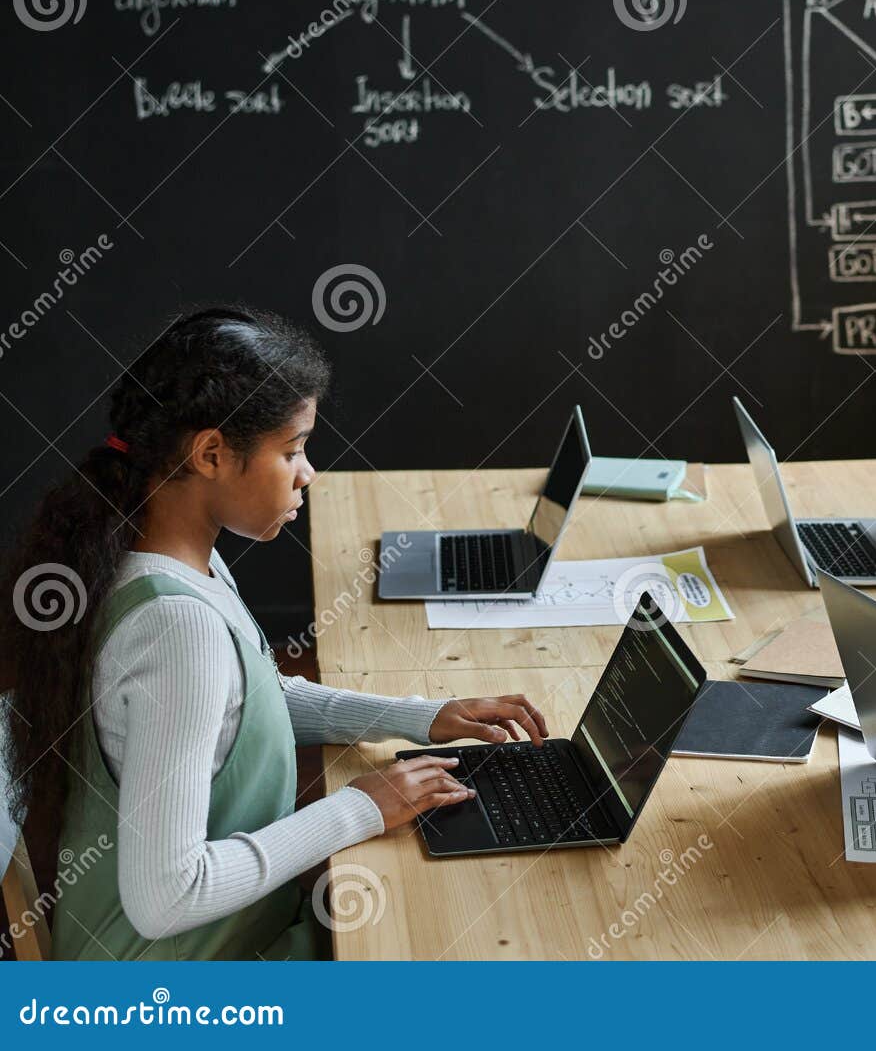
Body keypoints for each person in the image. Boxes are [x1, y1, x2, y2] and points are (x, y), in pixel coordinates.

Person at [1, 307, 548, 959]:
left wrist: (421, 717)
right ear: (211, 454)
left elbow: (250, 698)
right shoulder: (176, 631)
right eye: (291, 450)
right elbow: (167, 896)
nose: (306, 472)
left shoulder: (163, 555)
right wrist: (360, 808)